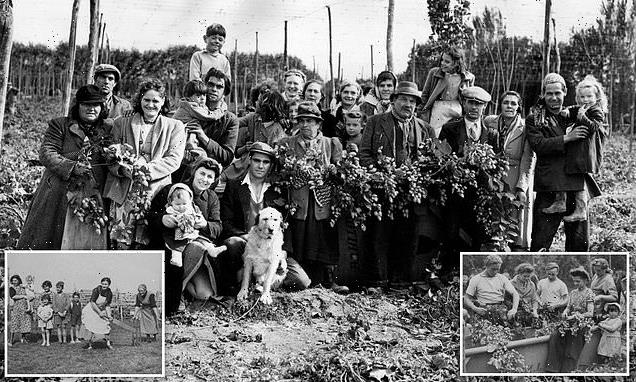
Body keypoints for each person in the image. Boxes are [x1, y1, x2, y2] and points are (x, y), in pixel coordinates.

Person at [359, 81, 437, 289]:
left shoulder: (425, 129)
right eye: (403, 99)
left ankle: (400, 284)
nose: (408, 104)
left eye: (412, 101)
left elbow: (431, 161)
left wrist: (415, 175)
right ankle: (376, 282)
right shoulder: (376, 122)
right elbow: (364, 154)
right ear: (393, 100)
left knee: (408, 236)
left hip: (411, 193)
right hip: (382, 189)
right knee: (379, 235)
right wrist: (387, 174)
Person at [17, 85, 113, 250]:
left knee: (91, 232)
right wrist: (71, 166)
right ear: (78, 106)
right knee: (52, 232)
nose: (91, 109)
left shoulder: (107, 129)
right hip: (61, 188)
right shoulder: (60, 125)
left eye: (96, 105)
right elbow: (47, 153)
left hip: (94, 190)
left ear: (101, 107)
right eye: (86, 105)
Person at [104, 78, 186, 249]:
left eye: (155, 101)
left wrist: (145, 170)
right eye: (146, 100)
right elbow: (110, 158)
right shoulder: (122, 122)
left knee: (147, 239)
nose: (150, 105)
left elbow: (174, 159)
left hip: (155, 190)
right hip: (124, 189)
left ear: (163, 101)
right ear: (139, 100)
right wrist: (124, 169)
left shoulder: (174, 126)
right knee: (121, 240)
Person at [220, 142, 312, 294]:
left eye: (266, 162)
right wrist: (245, 237)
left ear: (270, 165)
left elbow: (285, 224)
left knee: (300, 280)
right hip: (246, 244)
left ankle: (261, 282)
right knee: (232, 243)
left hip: (271, 247)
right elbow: (226, 221)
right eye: (257, 160)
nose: (261, 166)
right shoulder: (235, 186)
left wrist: (283, 253)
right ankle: (242, 282)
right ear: (249, 160)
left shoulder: (277, 190)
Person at [527, 73, 601, 251]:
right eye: (549, 93)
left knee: (579, 243)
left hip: (576, 185)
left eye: (558, 93)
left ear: (565, 92)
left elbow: (594, 133)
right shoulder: (535, 117)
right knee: (540, 241)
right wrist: (567, 138)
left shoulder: (577, 113)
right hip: (550, 186)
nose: (554, 98)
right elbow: (539, 145)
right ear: (543, 94)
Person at [278, 102, 347, 292]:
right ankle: (302, 279)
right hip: (299, 200)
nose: (306, 125)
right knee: (301, 236)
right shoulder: (288, 143)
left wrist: (333, 172)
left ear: (319, 124)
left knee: (322, 238)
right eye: (302, 121)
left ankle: (328, 280)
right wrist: (294, 171)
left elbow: (341, 173)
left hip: (322, 199)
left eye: (310, 121)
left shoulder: (330, 143)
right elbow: (282, 172)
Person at [148, 156, 226, 314]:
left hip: (194, 249)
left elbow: (218, 227)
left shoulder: (211, 198)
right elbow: (152, 216)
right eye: (202, 173)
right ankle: (176, 294)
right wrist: (164, 219)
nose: (204, 179)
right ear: (194, 172)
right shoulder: (175, 190)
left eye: (210, 176)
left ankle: (182, 287)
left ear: (214, 180)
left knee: (204, 294)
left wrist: (204, 224)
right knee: (195, 248)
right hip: (171, 244)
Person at [543, 75, 607, 221]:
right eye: (582, 97)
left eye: (589, 96)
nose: (586, 100)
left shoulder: (596, 111)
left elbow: (594, 127)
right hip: (576, 152)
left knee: (579, 184)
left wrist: (582, 117)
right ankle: (561, 201)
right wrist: (567, 111)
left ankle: (581, 210)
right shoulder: (582, 108)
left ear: (596, 97)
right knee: (564, 174)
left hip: (584, 155)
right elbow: (573, 109)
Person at [484, 91, 535, 250]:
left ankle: (516, 249)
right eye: (506, 102)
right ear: (500, 104)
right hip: (495, 173)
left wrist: (522, 185)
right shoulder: (489, 122)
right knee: (495, 213)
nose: (509, 106)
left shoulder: (525, 127)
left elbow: (528, 157)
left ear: (519, 107)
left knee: (515, 214)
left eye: (513, 103)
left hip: (516, 172)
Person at [225, 90, 289, 181]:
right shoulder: (253, 117)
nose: (255, 102)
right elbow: (235, 122)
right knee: (225, 176)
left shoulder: (277, 131)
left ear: (265, 107)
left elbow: (274, 157)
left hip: (263, 168)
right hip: (245, 162)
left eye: (258, 101)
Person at [545, 266, 595, 373]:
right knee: (555, 335)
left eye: (578, 281)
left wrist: (576, 316)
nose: (576, 284)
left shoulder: (589, 293)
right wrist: (565, 312)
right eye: (574, 281)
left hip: (582, 323)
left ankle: (567, 371)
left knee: (572, 345)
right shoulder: (573, 292)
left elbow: (590, 313)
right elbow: (568, 306)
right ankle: (553, 368)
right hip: (570, 321)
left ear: (585, 280)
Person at [419, 46, 475, 137]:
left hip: (457, 109)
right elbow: (425, 94)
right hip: (438, 108)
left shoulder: (468, 78)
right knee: (435, 135)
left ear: (457, 63)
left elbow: (470, 98)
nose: (442, 63)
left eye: (447, 62)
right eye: (442, 60)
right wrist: (421, 111)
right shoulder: (434, 73)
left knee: (454, 136)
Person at [163, 183, 220, 267]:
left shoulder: (192, 207)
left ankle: (212, 249)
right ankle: (176, 258)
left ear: (190, 201)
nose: (181, 207)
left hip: (192, 232)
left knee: (202, 239)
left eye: (184, 204)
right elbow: (168, 218)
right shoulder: (170, 209)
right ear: (171, 202)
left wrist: (199, 220)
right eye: (178, 204)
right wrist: (172, 220)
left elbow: (198, 214)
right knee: (177, 246)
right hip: (179, 234)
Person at [438, 86, 499, 156]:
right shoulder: (449, 129)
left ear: (485, 106)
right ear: (464, 103)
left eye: (478, 104)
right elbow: (442, 156)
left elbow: (496, 158)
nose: (474, 107)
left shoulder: (492, 133)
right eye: (470, 103)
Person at [172, 79, 227, 156]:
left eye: (204, 95)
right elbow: (210, 116)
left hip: (180, 131)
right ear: (188, 97)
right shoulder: (191, 106)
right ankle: (193, 152)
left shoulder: (194, 104)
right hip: (179, 132)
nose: (202, 98)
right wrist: (221, 109)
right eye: (198, 96)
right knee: (192, 133)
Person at [463, 255, 520, 325]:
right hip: (483, 310)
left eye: (497, 269)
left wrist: (514, 309)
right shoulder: (476, 279)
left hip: (501, 310)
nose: (495, 271)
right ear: (486, 266)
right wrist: (475, 308)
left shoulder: (502, 278)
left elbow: (515, 294)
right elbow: (467, 298)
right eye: (493, 269)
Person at [82, 277, 114, 350]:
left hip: (101, 309)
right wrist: (99, 312)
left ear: (109, 285)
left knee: (106, 325)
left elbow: (107, 305)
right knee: (91, 327)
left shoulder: (109, 293)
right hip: (92, 309)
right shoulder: (96, 290)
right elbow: (92, 303)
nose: (104, 285)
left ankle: (108, 344)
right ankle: (90, 345)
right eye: (102, 284)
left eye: (106, 284)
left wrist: (109, 316)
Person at [8, 275, 31, 346]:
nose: (14, 282)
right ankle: (11, 341)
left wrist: (29, 307)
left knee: (24, 322)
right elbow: (13, 296)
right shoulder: (11, 288)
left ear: (19, 281)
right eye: (13, 281)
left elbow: (28, 295)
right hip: (16, 308)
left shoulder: (22, 287)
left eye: (16, 280)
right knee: (14, 324)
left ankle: (23, 338)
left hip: (24, 307)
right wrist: (23, 296)